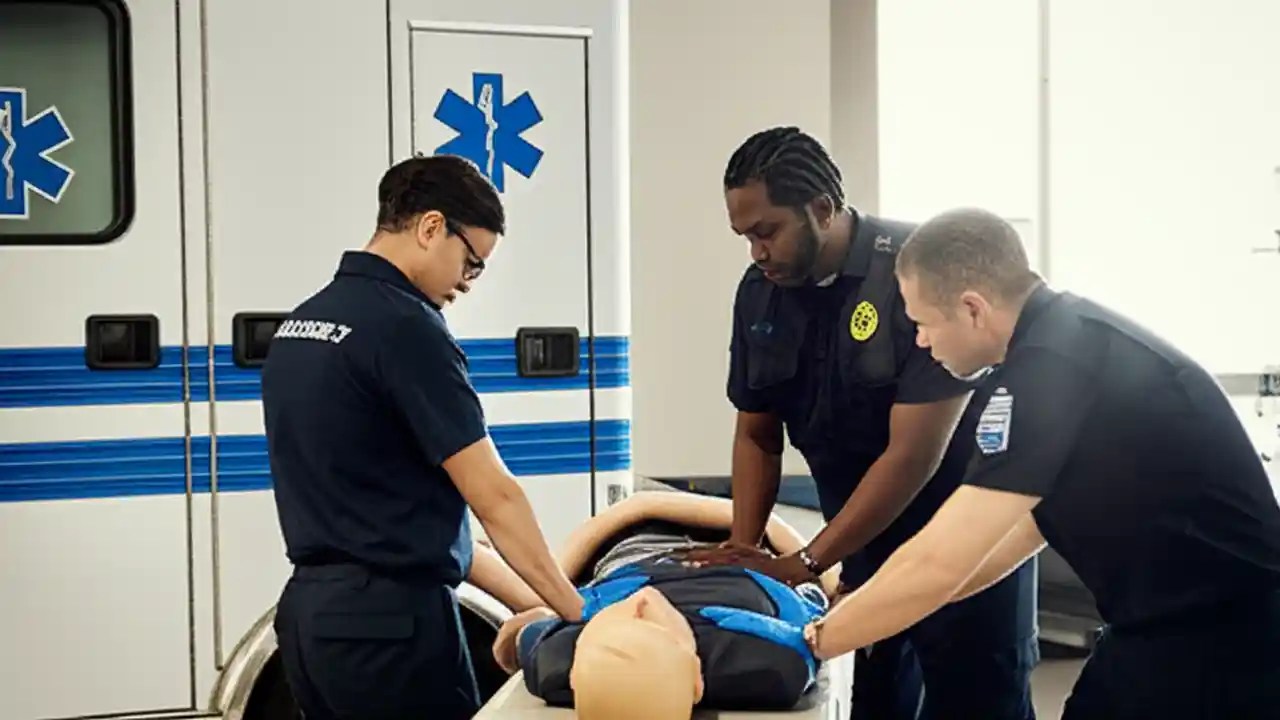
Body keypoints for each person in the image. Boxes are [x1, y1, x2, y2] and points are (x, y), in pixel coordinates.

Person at [803, 207, 1280, 719]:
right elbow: (1015, 535)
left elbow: (942, 561)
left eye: (921, 322)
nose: (919, 341)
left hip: (1226, 640)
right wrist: (858, 612)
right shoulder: (1065, 340)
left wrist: (810, 645)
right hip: (1161, 625)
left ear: (972, 309)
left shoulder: (1052, 365)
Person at [685, 126, 1039, 719]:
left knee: (979, 705)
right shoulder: (760, 294)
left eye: (767, 231)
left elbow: (913, 455)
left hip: (965, 544)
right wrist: (745, 550)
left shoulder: (918, 273)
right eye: (744, 237)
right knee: (870, 705)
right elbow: (756, 432)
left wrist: (806, 561)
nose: (757, 252)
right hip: (863, 547)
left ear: (822, 209)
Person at [261, 154, 585, 720]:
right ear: (432, 227)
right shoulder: (407, 328)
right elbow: (495, 497)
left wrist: (532, 600)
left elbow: (398, 502)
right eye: (472, 261)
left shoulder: (302, 324)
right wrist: (579, 612)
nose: (467, 281)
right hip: (392, 628)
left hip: (310, 623)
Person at [486, 492, 844, 720]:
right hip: (745, 548)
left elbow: (527, 627)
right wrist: (824, 583)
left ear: (574, 678)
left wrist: (637, 506)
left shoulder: (556, 659)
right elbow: (817, 602)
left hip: (628, 544)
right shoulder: (771, 660)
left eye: (626, 618)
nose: (642, 604)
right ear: (697, 680)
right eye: (650, 626)